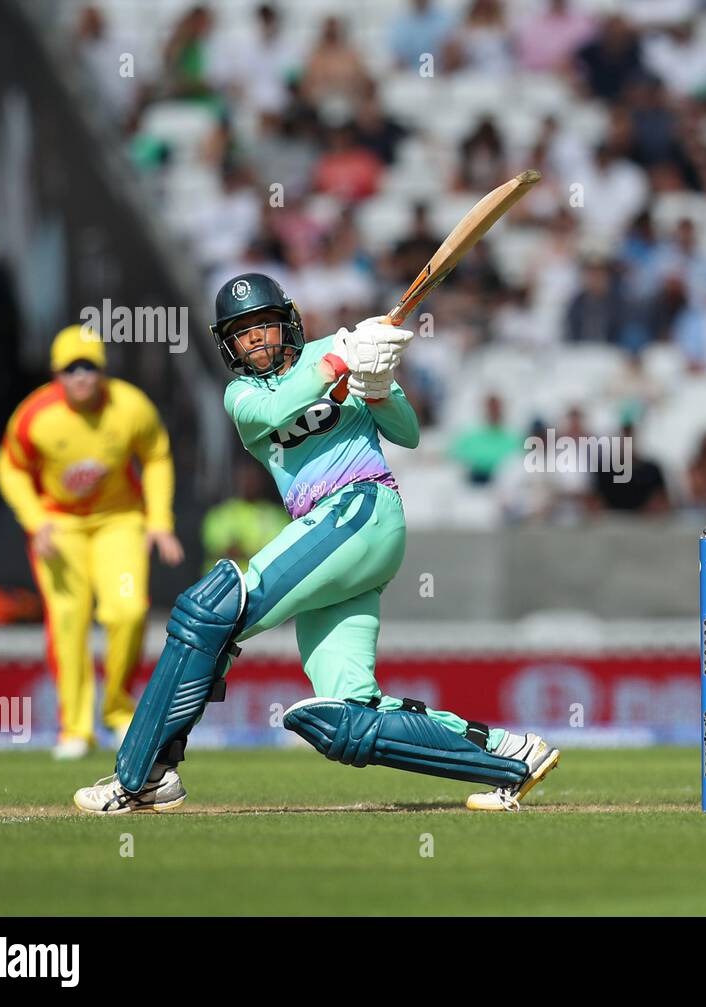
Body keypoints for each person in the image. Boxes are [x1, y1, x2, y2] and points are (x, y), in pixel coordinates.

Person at [73, 274, 559, 814]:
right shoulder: (243, 396)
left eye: (264, 326)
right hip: (335, 540)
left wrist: (376, 385)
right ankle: (510, 757)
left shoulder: (339, 349)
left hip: (360, 508)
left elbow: (407, 432)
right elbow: (279, 409)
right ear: (229, 345)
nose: (256, 339)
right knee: (349, 716)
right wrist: (340, 364)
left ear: (289, 323)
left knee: (208, 610)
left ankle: (143, 776)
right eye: (243, 333)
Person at [0, 326, 184, 759]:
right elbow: (10, 467)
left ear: (102, 370)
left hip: (118, 521)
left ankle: (118, 710)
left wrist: (159, 520)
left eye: (90, 367)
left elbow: (156, 455)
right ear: (56, 373)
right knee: (68, 621)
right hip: (60, 527)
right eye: (71, 369)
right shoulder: (35, 415)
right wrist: (35, 519)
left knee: (128, 609)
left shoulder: (129, 406)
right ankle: (75, 729)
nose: (81, 377)